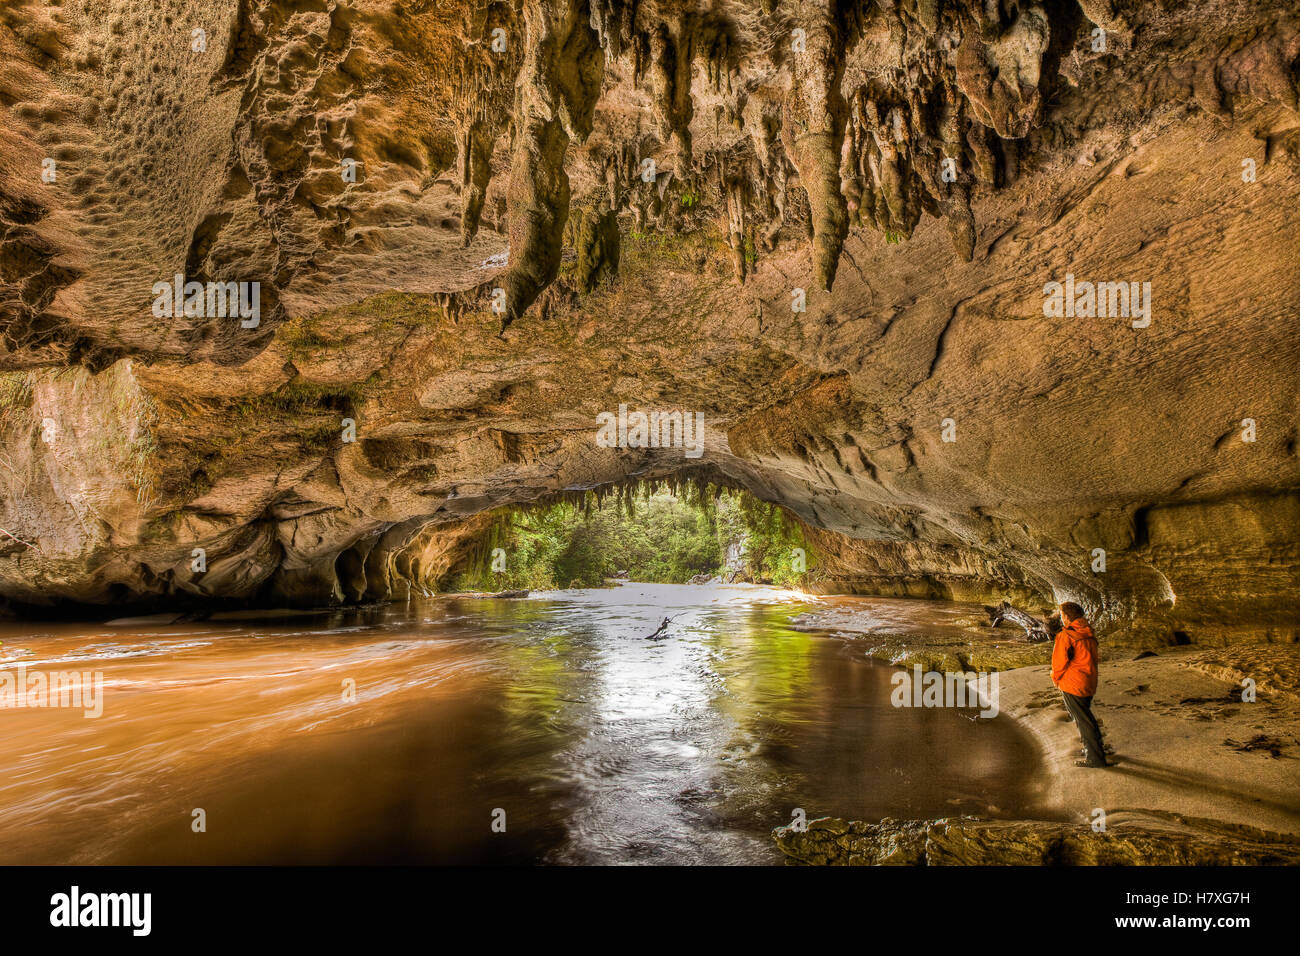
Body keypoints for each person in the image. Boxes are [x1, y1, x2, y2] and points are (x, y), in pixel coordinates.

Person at [1051, 601, 1110, 768]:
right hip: (1089, 680)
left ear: (1068, 617)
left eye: (1062, 615)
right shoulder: (1088, 632)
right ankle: (1091, 749)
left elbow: (1059, 663)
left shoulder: (1066, 635)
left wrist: (1056, 679)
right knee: (1084, 718)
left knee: (1084, 720)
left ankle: (1095, 757)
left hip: (1073, 683)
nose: (1061, 619)